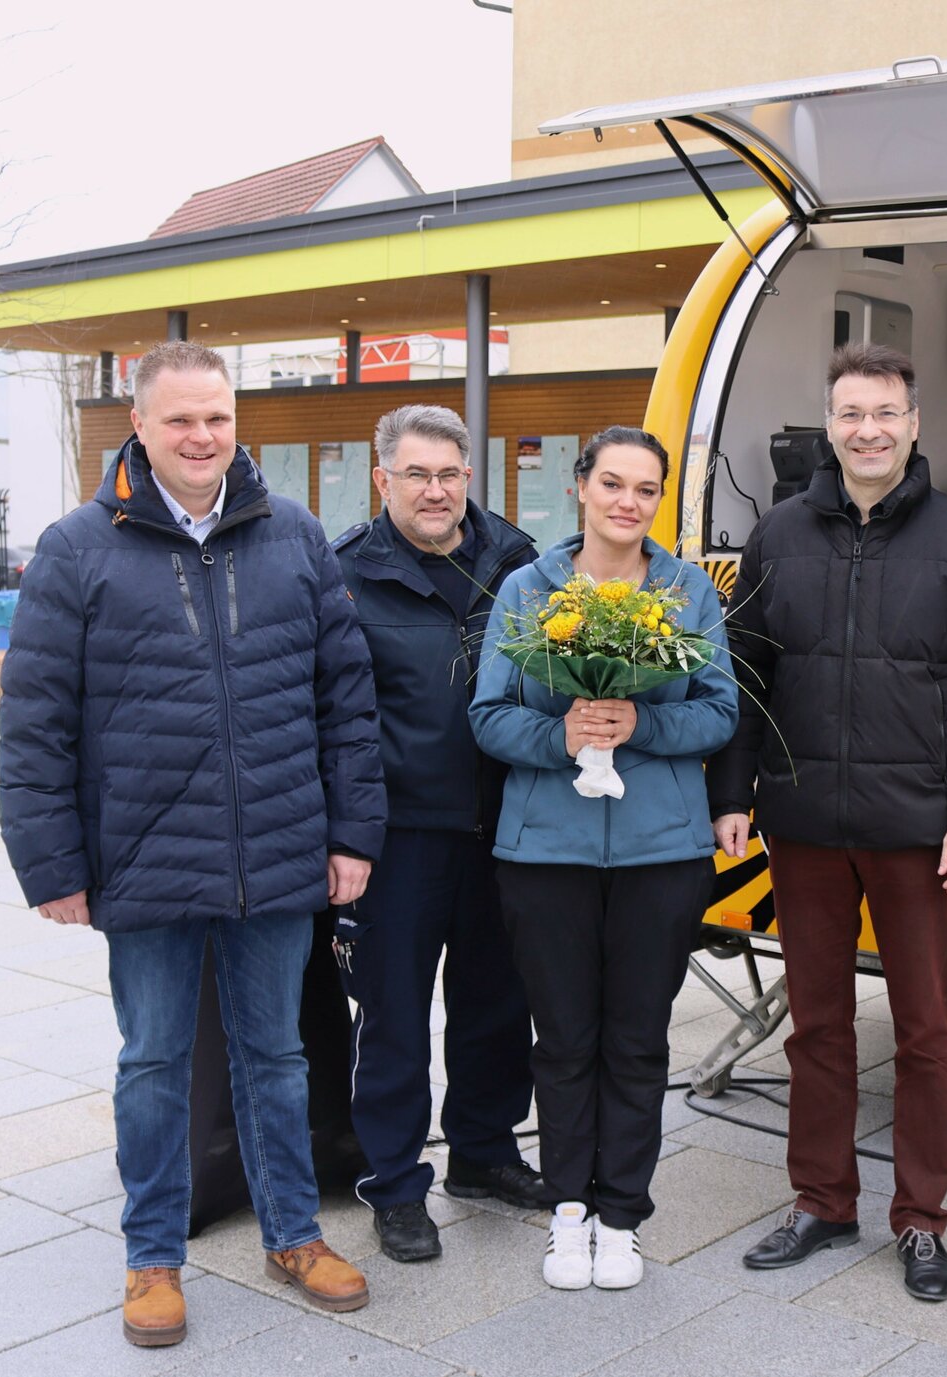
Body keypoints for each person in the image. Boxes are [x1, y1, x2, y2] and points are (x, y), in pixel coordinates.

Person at [0, 340, 387, 1346]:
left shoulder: (294, 538)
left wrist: (352, 836)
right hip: (143, 856)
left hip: (278, 851)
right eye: (180, 420)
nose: (201, 436)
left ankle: (293, 1234)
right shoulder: (77, 548)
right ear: (140, 425)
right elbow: (36, 720)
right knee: (154, 1065)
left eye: (216, 416)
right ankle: (152, 1260)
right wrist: (51, 863)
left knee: (278, 1058)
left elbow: (346, 703)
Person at [711, 343, 947, 1303]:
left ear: (914, 424)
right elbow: (745, 679)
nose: (868, 430)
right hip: (804, 825)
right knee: (816, 1028)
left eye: (885, 413)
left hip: (920, 834)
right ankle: (822, 1200)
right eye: (851, 413)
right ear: (830, 423)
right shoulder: (777, 536)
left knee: (927, 1033)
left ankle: (922, 1220)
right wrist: (733, 794)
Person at [468, 426, 737, 1292]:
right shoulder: (526, 587)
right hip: (547, 852)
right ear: (581, 486)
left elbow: (720, 710)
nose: (628, 501)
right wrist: (562, 734)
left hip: (661, 853)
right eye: (612, 482)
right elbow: (487, 715)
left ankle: (622, 1213)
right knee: (563, 1040)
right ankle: (567, 1213)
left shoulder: (689, 592)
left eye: (646, 489)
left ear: (660, 500)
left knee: (636, 1039)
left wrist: (640, 724)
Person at [330, 404, 551, 1264]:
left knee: (499, 1004)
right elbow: (333, 716)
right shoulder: (345, 573)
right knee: (391, 1017)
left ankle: (484, 1153)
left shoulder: (519, 561)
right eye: (416, 474)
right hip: (400, 834)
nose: (435, 490)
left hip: (504, 825)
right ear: (383, 478)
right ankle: (393, 1183)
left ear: (471, 476)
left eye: (449, 473)